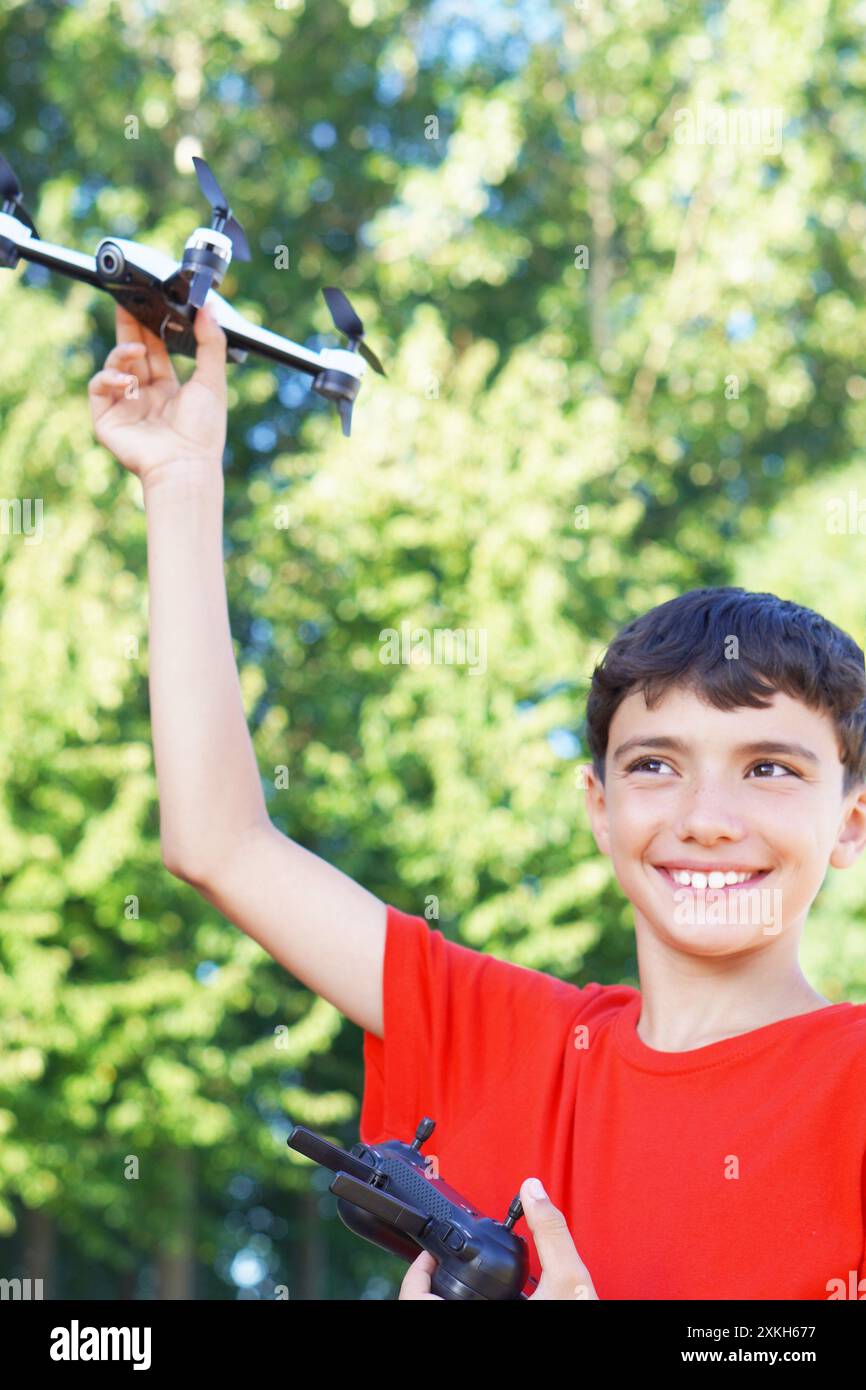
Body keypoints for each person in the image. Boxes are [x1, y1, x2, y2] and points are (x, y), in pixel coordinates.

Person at [89, 302, 866, 1301]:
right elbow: (219, 841)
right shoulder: (505, 1037)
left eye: (767, 768)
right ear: (597, 806)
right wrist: (179, 482)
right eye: (654, 765)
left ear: (848, 822)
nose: (705, 816)